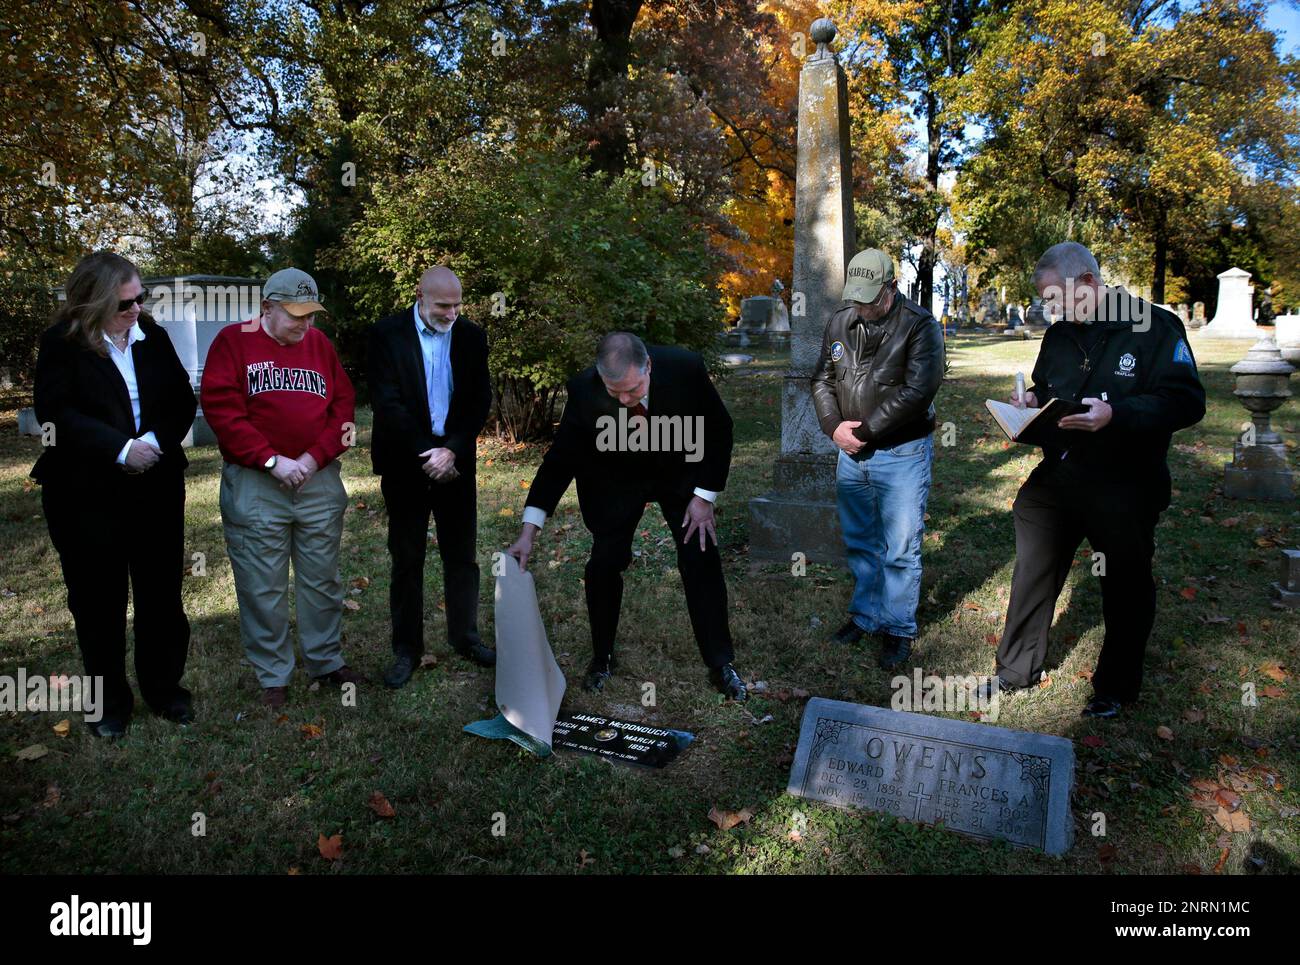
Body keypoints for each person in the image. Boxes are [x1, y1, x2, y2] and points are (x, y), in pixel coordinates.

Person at [990, 242, 1206, 718]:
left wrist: (1118, 414)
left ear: (1087, 283)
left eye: (1055, 299)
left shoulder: (1153, 326)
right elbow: (1049, 390)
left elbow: (1186, 401)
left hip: (1125, 478)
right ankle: (1015, 669)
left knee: (1125, 582)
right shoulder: (1060, 335)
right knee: (1033, 551)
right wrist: (1031, 405)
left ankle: (1115, 686)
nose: (1050, 311)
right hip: (1063, 471)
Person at [506, 332, 747, 700]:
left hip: (678, 469)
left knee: (700, 554)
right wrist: (529, 530)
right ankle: (601, 657)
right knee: (604, 562)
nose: (623, 399)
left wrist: (704, 497)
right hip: (614, 478)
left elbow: (719, 429)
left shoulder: (685, 369)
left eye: (632, 391)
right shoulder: (585, 391)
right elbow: (559, 463)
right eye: (613, 391)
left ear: (648, 366)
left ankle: (720, 662)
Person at [32, 252, 197, 737]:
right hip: (84, 492)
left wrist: (152, 443)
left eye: (141, 298)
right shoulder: (62, 344)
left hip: (156, 485)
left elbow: (181, 400)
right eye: (127, 302)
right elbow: (55, 414)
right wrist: (120, 448)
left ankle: (164, 690)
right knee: (97, 600)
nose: (136, 309)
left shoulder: (153, 337)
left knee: (161, 595)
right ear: (95, 300)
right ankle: (108, 705)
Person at [200, 268, 363, 709]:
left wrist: (314, 458)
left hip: (316, 480)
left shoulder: (319, 345)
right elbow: (222, 412)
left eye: (311, 315)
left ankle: (325, 660)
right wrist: (271, 460)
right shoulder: (233, 342)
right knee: (261, 584)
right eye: (295, 315)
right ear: (267, 308)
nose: (305, 324)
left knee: (321, 580)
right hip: (257, 483)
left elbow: (343, 408)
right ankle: (273, 673)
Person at [811, 248, 945, 670]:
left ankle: (897, 627)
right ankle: (866, 615)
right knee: (860, 541)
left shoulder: (921, 327)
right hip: (849, 452)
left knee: (901, 548)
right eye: (857, 297)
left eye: (871, 297)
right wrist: (834, 427)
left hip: (900, 452)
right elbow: (822, 379)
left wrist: (863, 433)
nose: (863, 306)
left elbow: (917, 392)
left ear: (891, 287)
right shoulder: (840, 321)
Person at [368, 266, 494, 688]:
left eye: (458, 304)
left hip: (456, 461)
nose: (452, 313)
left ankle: (465, 637)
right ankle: (407, 649)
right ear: (420, 296)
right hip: (407, 462)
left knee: (462, 555)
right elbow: (387, 403)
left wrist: (453, 449)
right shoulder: (387, 335)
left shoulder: (472, 337)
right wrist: (428, 452)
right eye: (444, 305)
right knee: (407, 558)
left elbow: (478, 399)